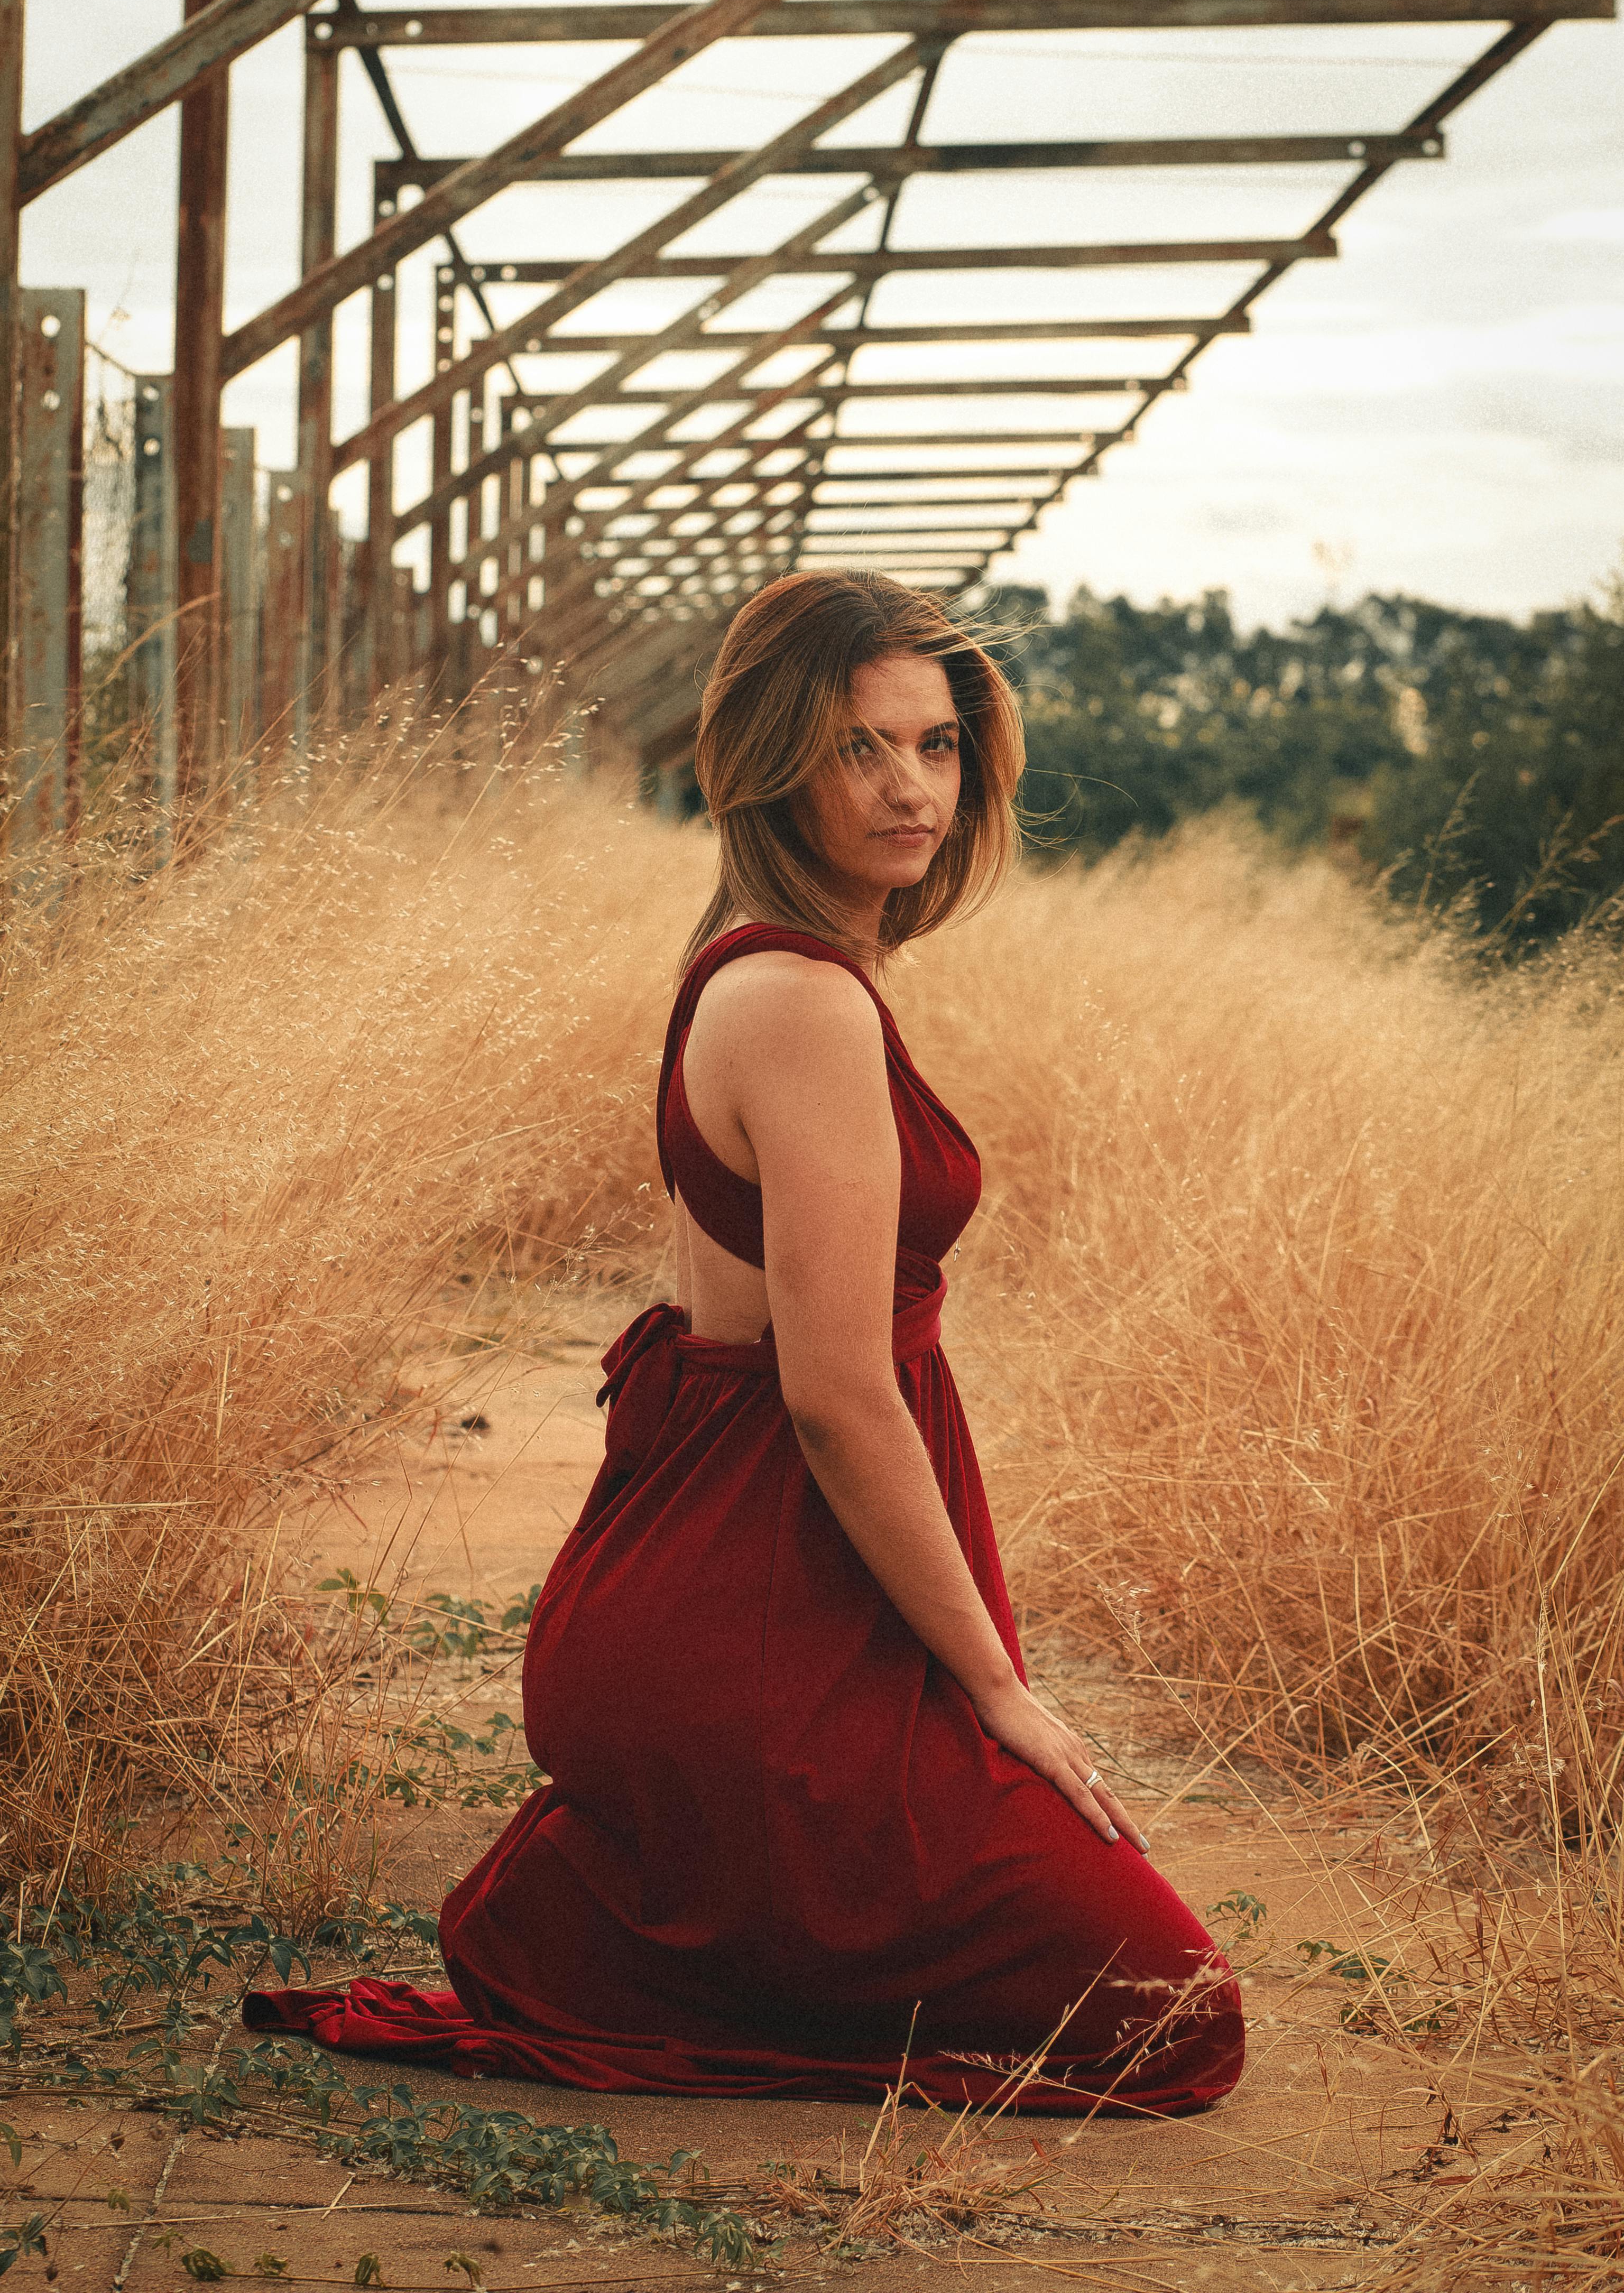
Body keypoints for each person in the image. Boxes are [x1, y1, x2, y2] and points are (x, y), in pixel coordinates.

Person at [246, 570, 1244, 2115]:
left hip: (758, 1586)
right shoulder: (801, 1000)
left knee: (1108, 1972)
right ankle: (620, 1932)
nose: (911, 786)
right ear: (775, 762)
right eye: (861, 748)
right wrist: (995, 1689)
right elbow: (839, 1397)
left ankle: (640, 1909)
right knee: (1175, 2021)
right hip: (749, 1613)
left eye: (937, 743)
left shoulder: (784, 962)